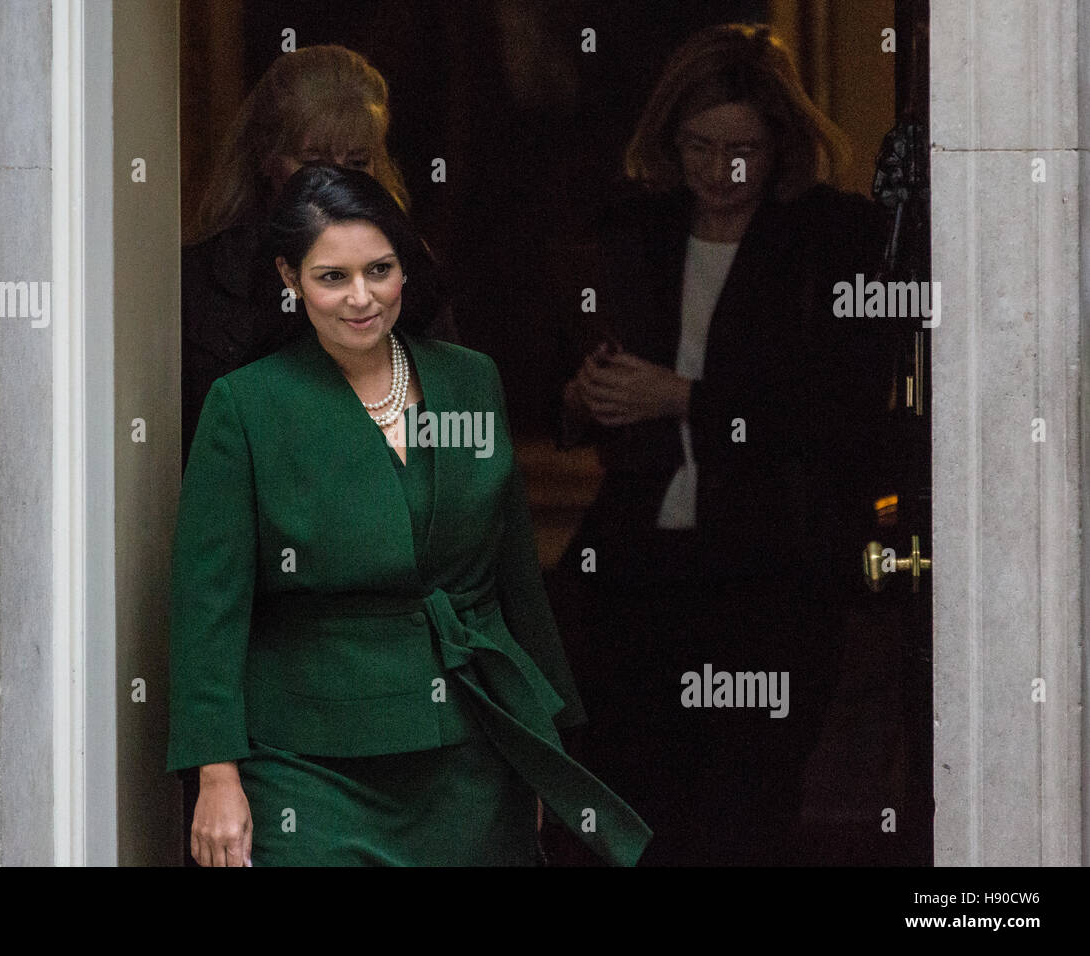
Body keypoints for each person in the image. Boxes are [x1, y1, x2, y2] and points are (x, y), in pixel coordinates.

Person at [167, 164, 652, 867]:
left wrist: (543, 740)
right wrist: (216, 775)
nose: (361, 298)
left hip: (470, 746)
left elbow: (515, 574)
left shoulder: (470, 380)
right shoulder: (246, 406)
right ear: (288, 277)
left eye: (380, 270)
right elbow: (208, 603)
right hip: (306, 762)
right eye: (332, 277)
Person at [550, 23, 891, 865]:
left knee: (743, 817)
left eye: (742, 146)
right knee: (624, 810)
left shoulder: (833, 238)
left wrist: (684, 399)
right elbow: (563, 390)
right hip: (638, 572)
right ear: (670, 139)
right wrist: (585, 396)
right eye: (699, 144)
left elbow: (846, 410)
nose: (720, 168)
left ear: (782, 142)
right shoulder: (636, 228)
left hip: (770, 573)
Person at [182, 43, 455, 475]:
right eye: (314, 162)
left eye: (357, 162)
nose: (336, 183)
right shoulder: (202, 279)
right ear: (267, 160)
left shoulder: (408, 269)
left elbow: (444, 431)